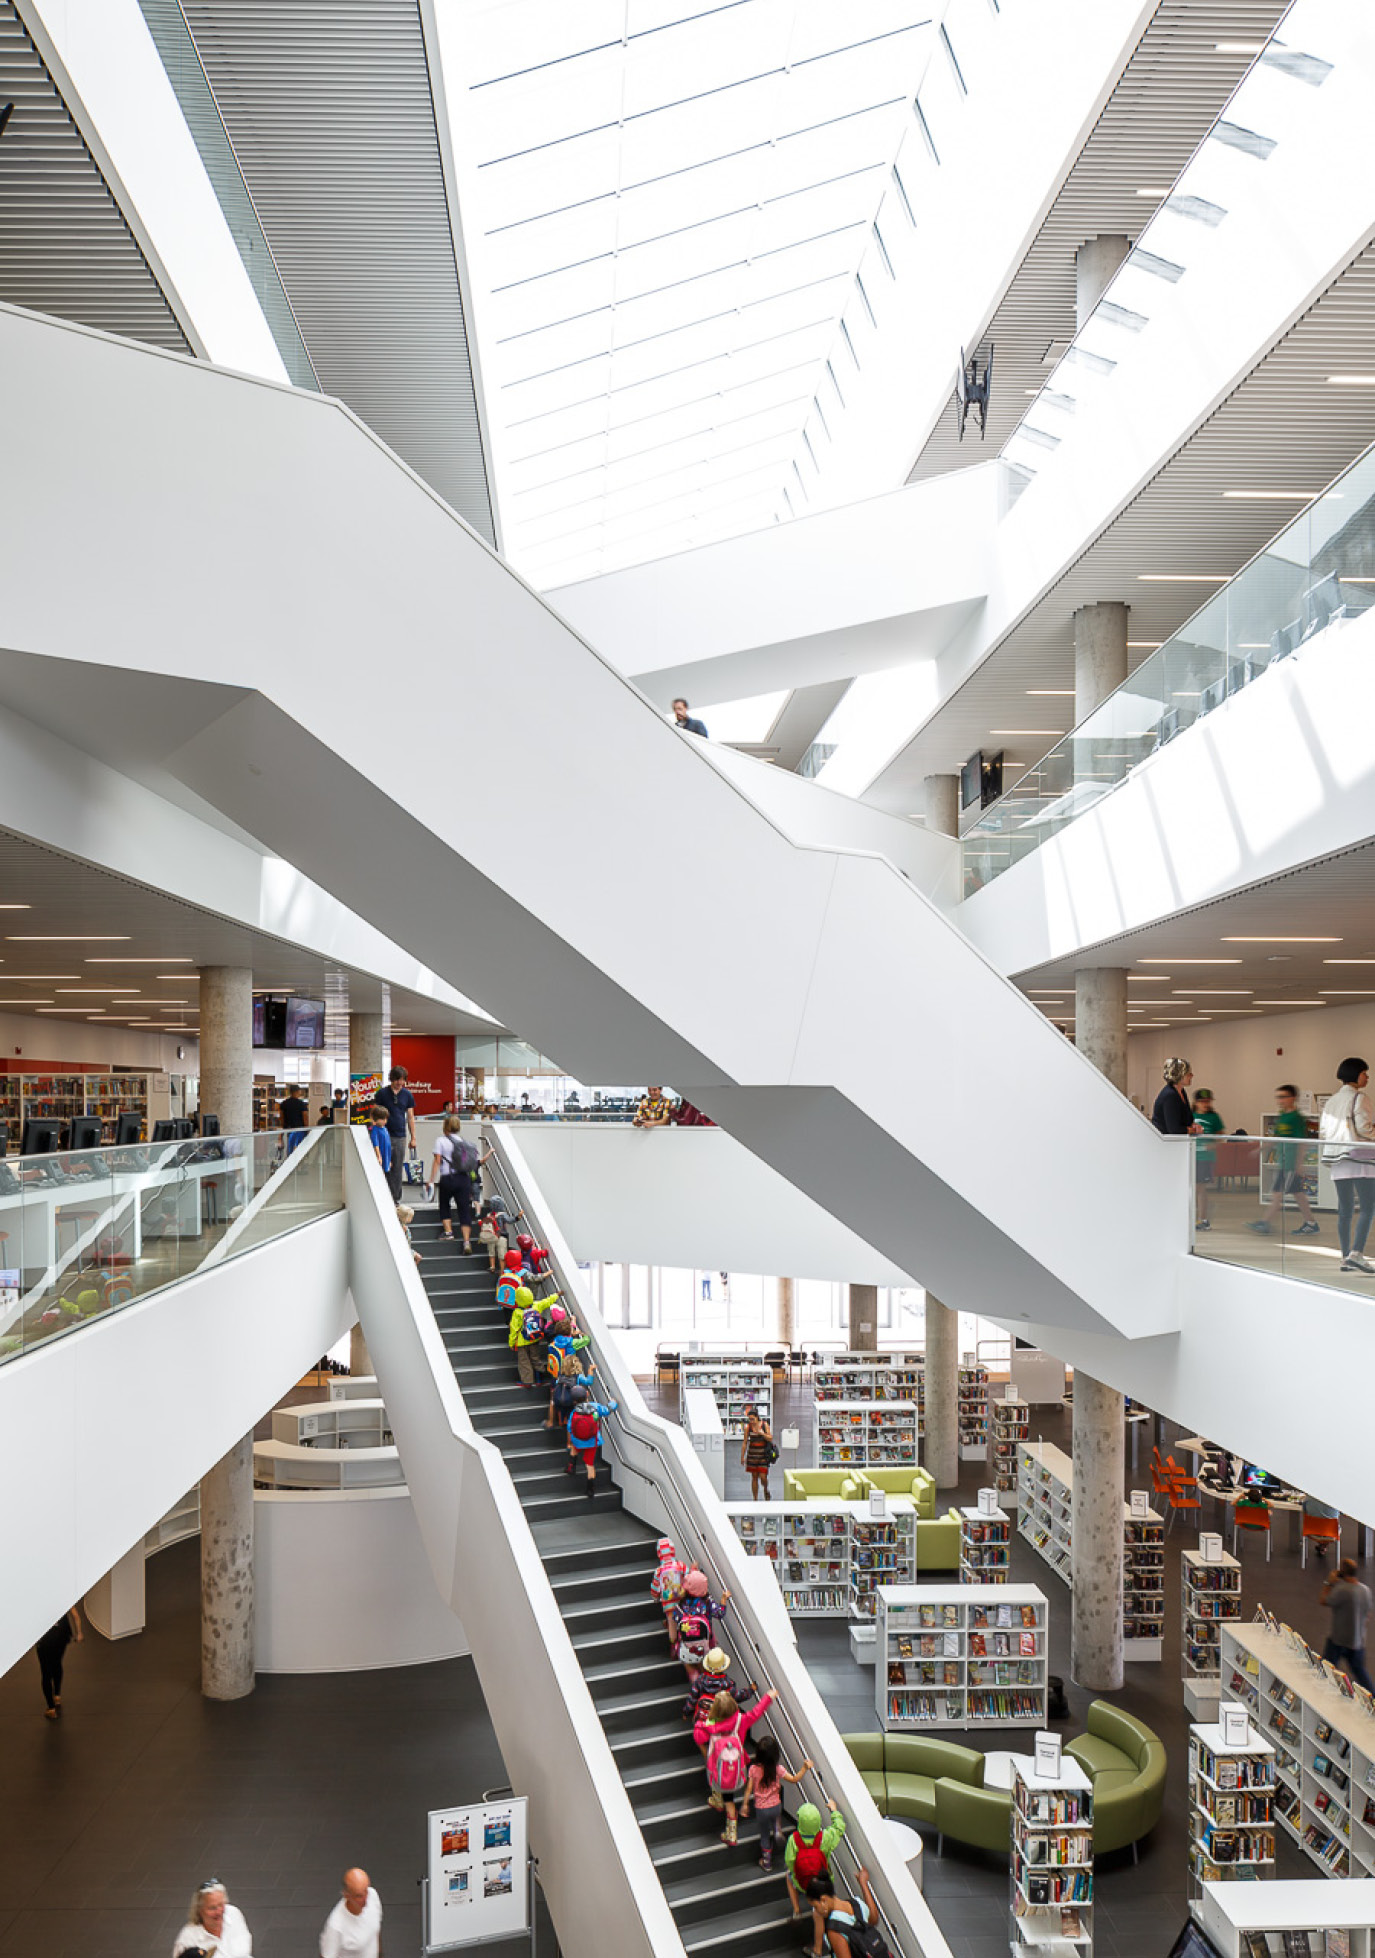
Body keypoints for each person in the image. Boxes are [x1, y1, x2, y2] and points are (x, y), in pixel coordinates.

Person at [693, 1685, 776, 1845]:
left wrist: (699, 1724)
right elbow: (756, 1712)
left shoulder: (709, 1726)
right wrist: (768, 1697)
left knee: (722, 1789)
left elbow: (699, 1739)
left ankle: (728, 1825)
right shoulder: (741, 1720)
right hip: (737, 1771)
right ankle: (727, 1823)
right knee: (728, 1795)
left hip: (717, 1772)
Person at [1319, 1058, 1375, 1274]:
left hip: (1337, 1160)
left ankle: (1344, 1257)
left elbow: (1323, 1132)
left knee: (1345, 1210)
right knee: (1368, 1207)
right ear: (1356, 1074)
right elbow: (1363, 1128)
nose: (1367, 1077)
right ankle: (1357, 1254)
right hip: (1360, 1158)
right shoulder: (1360, 1097)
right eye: (1364, 1073)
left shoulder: (1331, 1101)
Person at [1251, 1084, 1320, 1237]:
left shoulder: (1297, 1119)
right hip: (1283, 1162)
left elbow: (1302, 1142)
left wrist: (1298, 1165)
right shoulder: (1282, 1116)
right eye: (1278, 1097)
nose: (1280, 1100)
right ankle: (1311, 1223)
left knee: (1277, 1193)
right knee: (1298, 1194)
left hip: (1290, 1164)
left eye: (1283, 1097)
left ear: (1292, 1098)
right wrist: (1260, 1149)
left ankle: (1265, 1223)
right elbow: (1276, 1138)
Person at [740, 1733, 812, 1872]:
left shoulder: (754, 1770)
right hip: (776, 1806)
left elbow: (749, 1788)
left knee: (765, 1834)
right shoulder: (778, 1769)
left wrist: (745, 1804)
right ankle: (778, 1831)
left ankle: (766, 1862)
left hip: (761, 1809)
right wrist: (804, 1767)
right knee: (775, 1822)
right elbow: (794, 1779)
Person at [786, 1799, 847, 1925]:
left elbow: (790, 1861)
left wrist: (796, 1873)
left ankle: (797, 1910)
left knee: (788, 1876)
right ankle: (828, 1912)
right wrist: (834, 1810)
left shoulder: (793, 1839)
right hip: (823, 1881)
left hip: (803, 1884)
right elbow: (840, 1827)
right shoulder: (825, 1837)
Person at [1321, 1557, 1375, 1691]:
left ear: (1342, 1572)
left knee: (1325, 1669)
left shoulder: (1342, 1589)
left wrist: (1329, 1582)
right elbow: (1368, 1615)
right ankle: (1373, 1699)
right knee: (1360, 1672)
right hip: (1357, 1641)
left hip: (1338, 1640)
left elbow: (1323, 1600)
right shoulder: (1365, 1590)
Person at [805, 1865, 881, 1958]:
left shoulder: (834, 1928)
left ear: (823, 1900)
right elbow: (874, 1920)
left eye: (815, 1906)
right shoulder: (857, 1903)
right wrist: (863, 1883)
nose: (816, 1912)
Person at [431, 1116, 478, 1248]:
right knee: (464, 1210)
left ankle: (448, 1232)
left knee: (445, 1204)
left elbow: (437, 1161)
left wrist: (431, 1179)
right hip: (464, 1179)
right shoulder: (463, 1142)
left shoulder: (440, 1141)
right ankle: (467, 1241)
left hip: (448, 1178)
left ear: (445, 1126)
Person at [564, 1382, 619, 1494]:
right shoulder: (595, 1407)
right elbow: (607, 1411)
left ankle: (571, 1467)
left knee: (574, 1449)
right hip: (592, 1441)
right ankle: (590, 1489)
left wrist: (572, 1439)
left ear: (574, 1401)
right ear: (587, 1394)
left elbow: (569, 1427)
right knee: (589, 1465)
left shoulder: (574, 1412)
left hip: (578, 1440)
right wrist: (614, 1403)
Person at [173, 1879, 253, 1955]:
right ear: (199, 1910)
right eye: (212, 1908)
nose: (219, 1912)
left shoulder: (233, 1913)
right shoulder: (187, 1940)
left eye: (221, 1905)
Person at [374, 1065, 417, 1202]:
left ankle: (395, 1198)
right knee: (383, 1166)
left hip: (400, 1136)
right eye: (397, 1080)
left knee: (397, 1168)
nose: (400, 1083)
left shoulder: (407, 1095)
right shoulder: (382, 1093)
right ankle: (382, 1195)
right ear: (392, 1079)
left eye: (402, 1080)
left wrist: (413, 1137)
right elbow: (375, 1114)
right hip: (383, 1134)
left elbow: (410, 1117)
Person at [319, 1867, 382, 1958]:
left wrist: (379, 1954)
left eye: (366, 1890)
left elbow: (375, 1931)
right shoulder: (335, 1927)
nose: (366, 1899)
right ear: (346, 1895)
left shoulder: (372, 1896)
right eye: (359, 1896)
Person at [35, 1603, 82, 1718]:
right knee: (57, 1663)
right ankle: (57, 1696)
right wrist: (79, 1633)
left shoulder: (37, 1598)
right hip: (62, 1634)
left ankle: (51, 1708)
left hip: (45, 1638)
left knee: (46, 1672)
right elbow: (75, 1616)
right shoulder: (64, 1595)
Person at [1190, 1089, 1225, 1230]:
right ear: (1196, 1103)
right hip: (1191, 1156)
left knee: (1200, 1188)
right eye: (1202, 1101)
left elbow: (1221, 1136)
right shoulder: (1190, 1115)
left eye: (1208, 1101)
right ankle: (1195, 1217)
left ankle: (1203, 1219)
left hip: (1205, 1159)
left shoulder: (1214, 1117)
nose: (1205, 1104)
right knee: (1193, 1188)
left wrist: (1213, 1144)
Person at [1151, 1058, 1198, 1137]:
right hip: (1166, 1144)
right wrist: (1192, 1130)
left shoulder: (1181, 1091)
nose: (1192, 1075)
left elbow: (1188, 1119)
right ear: (1180, 1075)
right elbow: (1174, 1129)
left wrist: (1193, 1126)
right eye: (1188, 1073)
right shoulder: (1170, 1096)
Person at [741, 1405, 775, 1500]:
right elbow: (744, 1443)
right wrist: (742, 1456)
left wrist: (762, 1434)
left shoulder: (764, 1425)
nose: (751, 1421)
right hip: (752, 1455)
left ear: (757, 1417)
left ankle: (765, 1488)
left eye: (753, 1419)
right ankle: (755, 1498)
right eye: (750, 1419)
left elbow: (770, 1438)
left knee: (763, 1476)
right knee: (754, 1477)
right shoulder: (748, 1428)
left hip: (763, 1455)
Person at [365, 1105, 392, 1181]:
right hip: (381, 1155)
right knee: (379, 1175)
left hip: (386, 1155)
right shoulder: (375, 1130)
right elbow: (375, 1144)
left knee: (384, 1175)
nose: (385, 1121)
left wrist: (389, 1160)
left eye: (386, 1119)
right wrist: (378, 1156)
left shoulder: (385, 1129)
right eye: (382, 1119)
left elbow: (388, 1145)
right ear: (376, 1119)